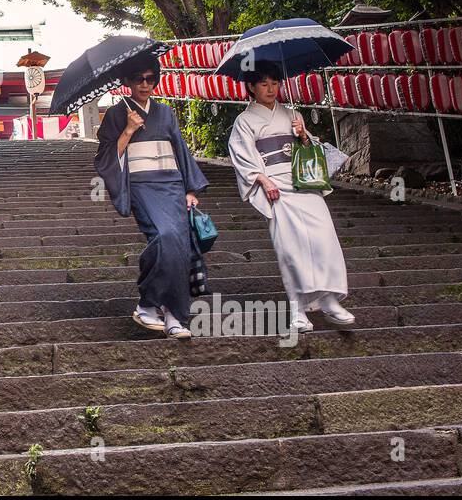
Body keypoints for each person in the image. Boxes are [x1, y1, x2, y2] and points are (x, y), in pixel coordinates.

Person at [227, 61, 353, 332]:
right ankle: (298, 308)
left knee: (324, 237)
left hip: (302, 182)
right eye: (264, 84)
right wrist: (262, 179)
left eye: (275, 83)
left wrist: (303, 135)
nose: (271, 89)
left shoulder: (292, 114)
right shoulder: (244, 121)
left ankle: (329, 299)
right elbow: (242, 156)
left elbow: (308, 150)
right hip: (275, 186)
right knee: (290, 248)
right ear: (251, 87)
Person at [94, 57, 208, 339]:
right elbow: (106, 159)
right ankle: (147, 304)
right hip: (142, 186)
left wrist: (190, 190)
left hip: (172, 184)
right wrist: (129, 130)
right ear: (127, 83)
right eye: (138, 79)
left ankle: (174, 316)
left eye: (150, 78)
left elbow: (180, 149)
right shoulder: (115, 115)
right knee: (165, 236)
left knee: (180, 246)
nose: (145, 84)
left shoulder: (166, 113)